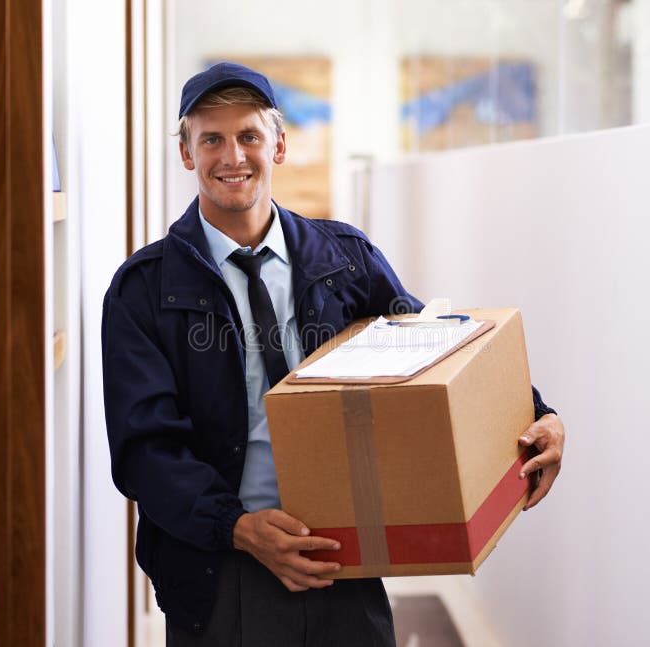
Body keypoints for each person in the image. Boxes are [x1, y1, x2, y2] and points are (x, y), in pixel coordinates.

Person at [102, 61, 565, 647]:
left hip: (344, 553)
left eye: (249, 136)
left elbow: (436, 349)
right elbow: (143, 450)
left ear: (279, 145)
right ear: (187, 153)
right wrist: (240, 528)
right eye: (211, 139)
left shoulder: (344, 256)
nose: (233, 156)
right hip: (218, 572)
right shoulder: (143, 288)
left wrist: (536, 412)